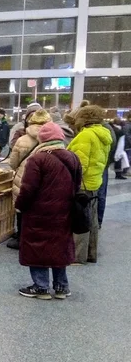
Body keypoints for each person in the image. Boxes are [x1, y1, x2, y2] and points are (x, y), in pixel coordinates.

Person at [16, 122, 82, 300]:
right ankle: (62, 287)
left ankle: (41, 287)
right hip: (64, 211)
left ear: (41, 139)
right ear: (60, 137)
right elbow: (77, 185)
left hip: (39, 213)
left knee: (38, 246)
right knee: (59, 246)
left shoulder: (37, 159)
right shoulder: (72, 157)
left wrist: (20, 205)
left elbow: (28, 188)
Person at [69, 105, 113, 264]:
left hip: (82, 184)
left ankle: (78, 256)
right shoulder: (104, 134)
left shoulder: (85, 136)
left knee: (80, 220)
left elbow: (80, 165)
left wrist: (72, 183)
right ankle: (91, 253)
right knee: (92, 221)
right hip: (95, 182)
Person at [7, 109, 51, 250]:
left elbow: (13, 163)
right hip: (45, 178)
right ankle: (38, 237)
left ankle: (22, 238)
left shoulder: (23, 139)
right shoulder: (54, 139)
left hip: (24, 176)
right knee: (39, 207)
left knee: (22, 206)